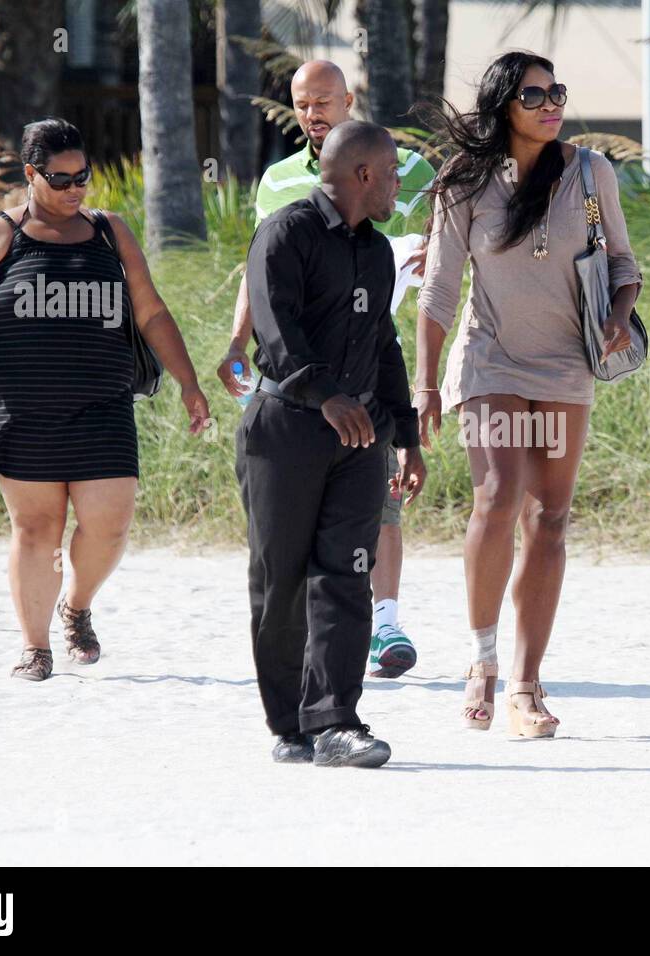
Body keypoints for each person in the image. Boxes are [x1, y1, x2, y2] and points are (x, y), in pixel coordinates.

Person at [0, 117, 211, 682]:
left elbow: (151, 311)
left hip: (102, 403)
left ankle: (78, 605)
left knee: (110, 523)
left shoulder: (109, 232)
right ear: (30, 175)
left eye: (82, 177)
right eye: (61, 179)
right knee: (38, 529)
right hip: (20, 409)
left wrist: (189, 383)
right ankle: (35, 647)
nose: (75, 190)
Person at [415, 52, 643, 738]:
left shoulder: (589, 171)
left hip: (566, 365)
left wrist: (616, 315)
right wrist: (424, 381)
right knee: (497, 497)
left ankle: (525, 681)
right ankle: (482, 659)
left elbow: (625, 264)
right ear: (502, 106)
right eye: (534, 94)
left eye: (556, 92)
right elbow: (440, 289)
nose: (551, 104)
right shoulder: (464, 180)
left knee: (549, 518)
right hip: (491, 360)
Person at [218, 60, 436, 680]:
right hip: (293, 386)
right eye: (301, 103)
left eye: (323, 102)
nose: (312, 113)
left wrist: (419, 394)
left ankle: (384, 620)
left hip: (373, 358)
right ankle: (300, 683)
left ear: (349, 98)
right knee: (290, 536)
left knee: (378, 508)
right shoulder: (279, 183)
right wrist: (238, 338)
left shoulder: (407, 171)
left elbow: (436, 275)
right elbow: (261, 278)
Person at [238, 120, 426, 768]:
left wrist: (408, 435)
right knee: (281, 580)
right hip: (284, 431)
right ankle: (289, 725)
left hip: (359, 439)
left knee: (347, 574)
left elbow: (384, 344)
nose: (399, 188)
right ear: (364, 174)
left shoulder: (376, 252)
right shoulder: (285, 233)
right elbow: (275, 327)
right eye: (395, 174)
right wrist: (325, 395)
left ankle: (337, 722)